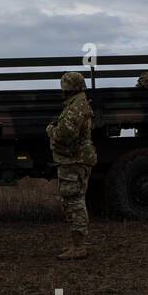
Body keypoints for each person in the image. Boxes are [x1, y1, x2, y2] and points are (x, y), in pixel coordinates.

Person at [47, 71, 97, 260]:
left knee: (74, 202)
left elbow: (65, 134)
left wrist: (51, 130)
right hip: (75, 159)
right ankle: (77, 243)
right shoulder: (78, 103)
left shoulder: (76, 107)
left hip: (73, 160)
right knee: (74, 201)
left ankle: (79, 246)